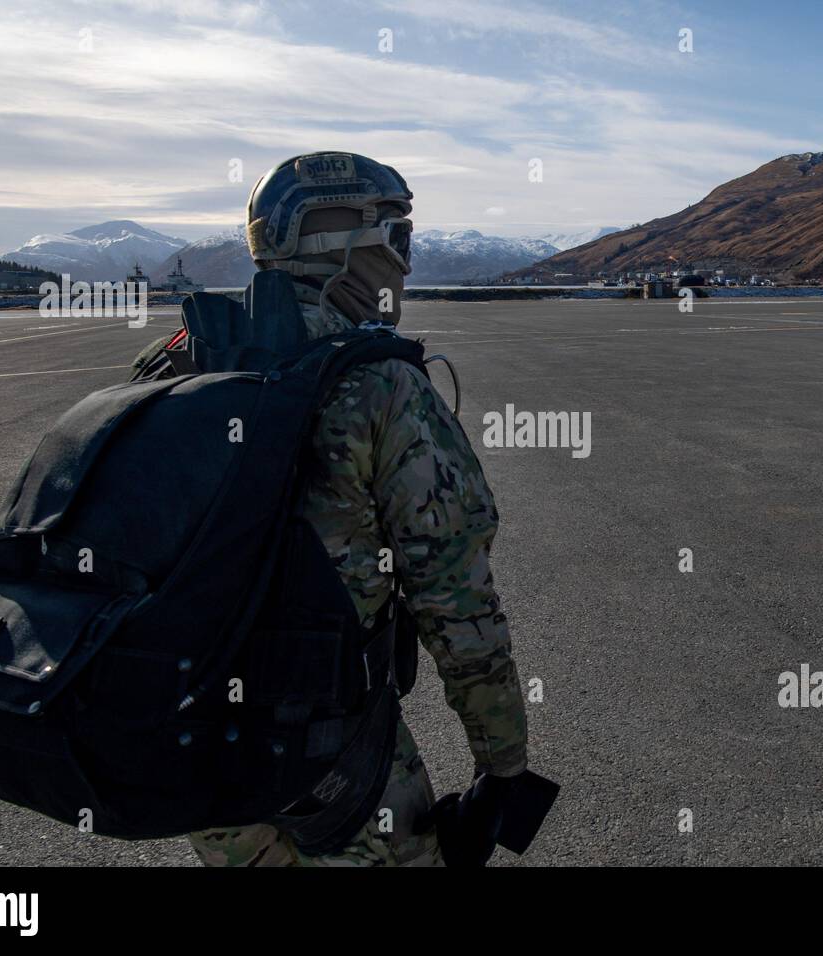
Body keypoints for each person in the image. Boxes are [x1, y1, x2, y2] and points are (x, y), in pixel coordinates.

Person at [137, 152, 529, 865]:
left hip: (194, 750)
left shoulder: (178, 362)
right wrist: (502, 766)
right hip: (331, 758)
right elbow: (457, 602)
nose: (405, 267)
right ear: (347, 246)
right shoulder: (380, 383)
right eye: (398, 242)